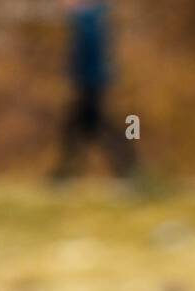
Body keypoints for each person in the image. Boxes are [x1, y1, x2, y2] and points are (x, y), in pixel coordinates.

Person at [53, 1, 134, 179]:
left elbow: (88, 55)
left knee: (91, 127)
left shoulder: (87, 20)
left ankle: (130, 171)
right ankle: (63, 175)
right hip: (91, 83)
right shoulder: (93, 18)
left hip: (90, 84)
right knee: (82, 128)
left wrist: (79, 77)